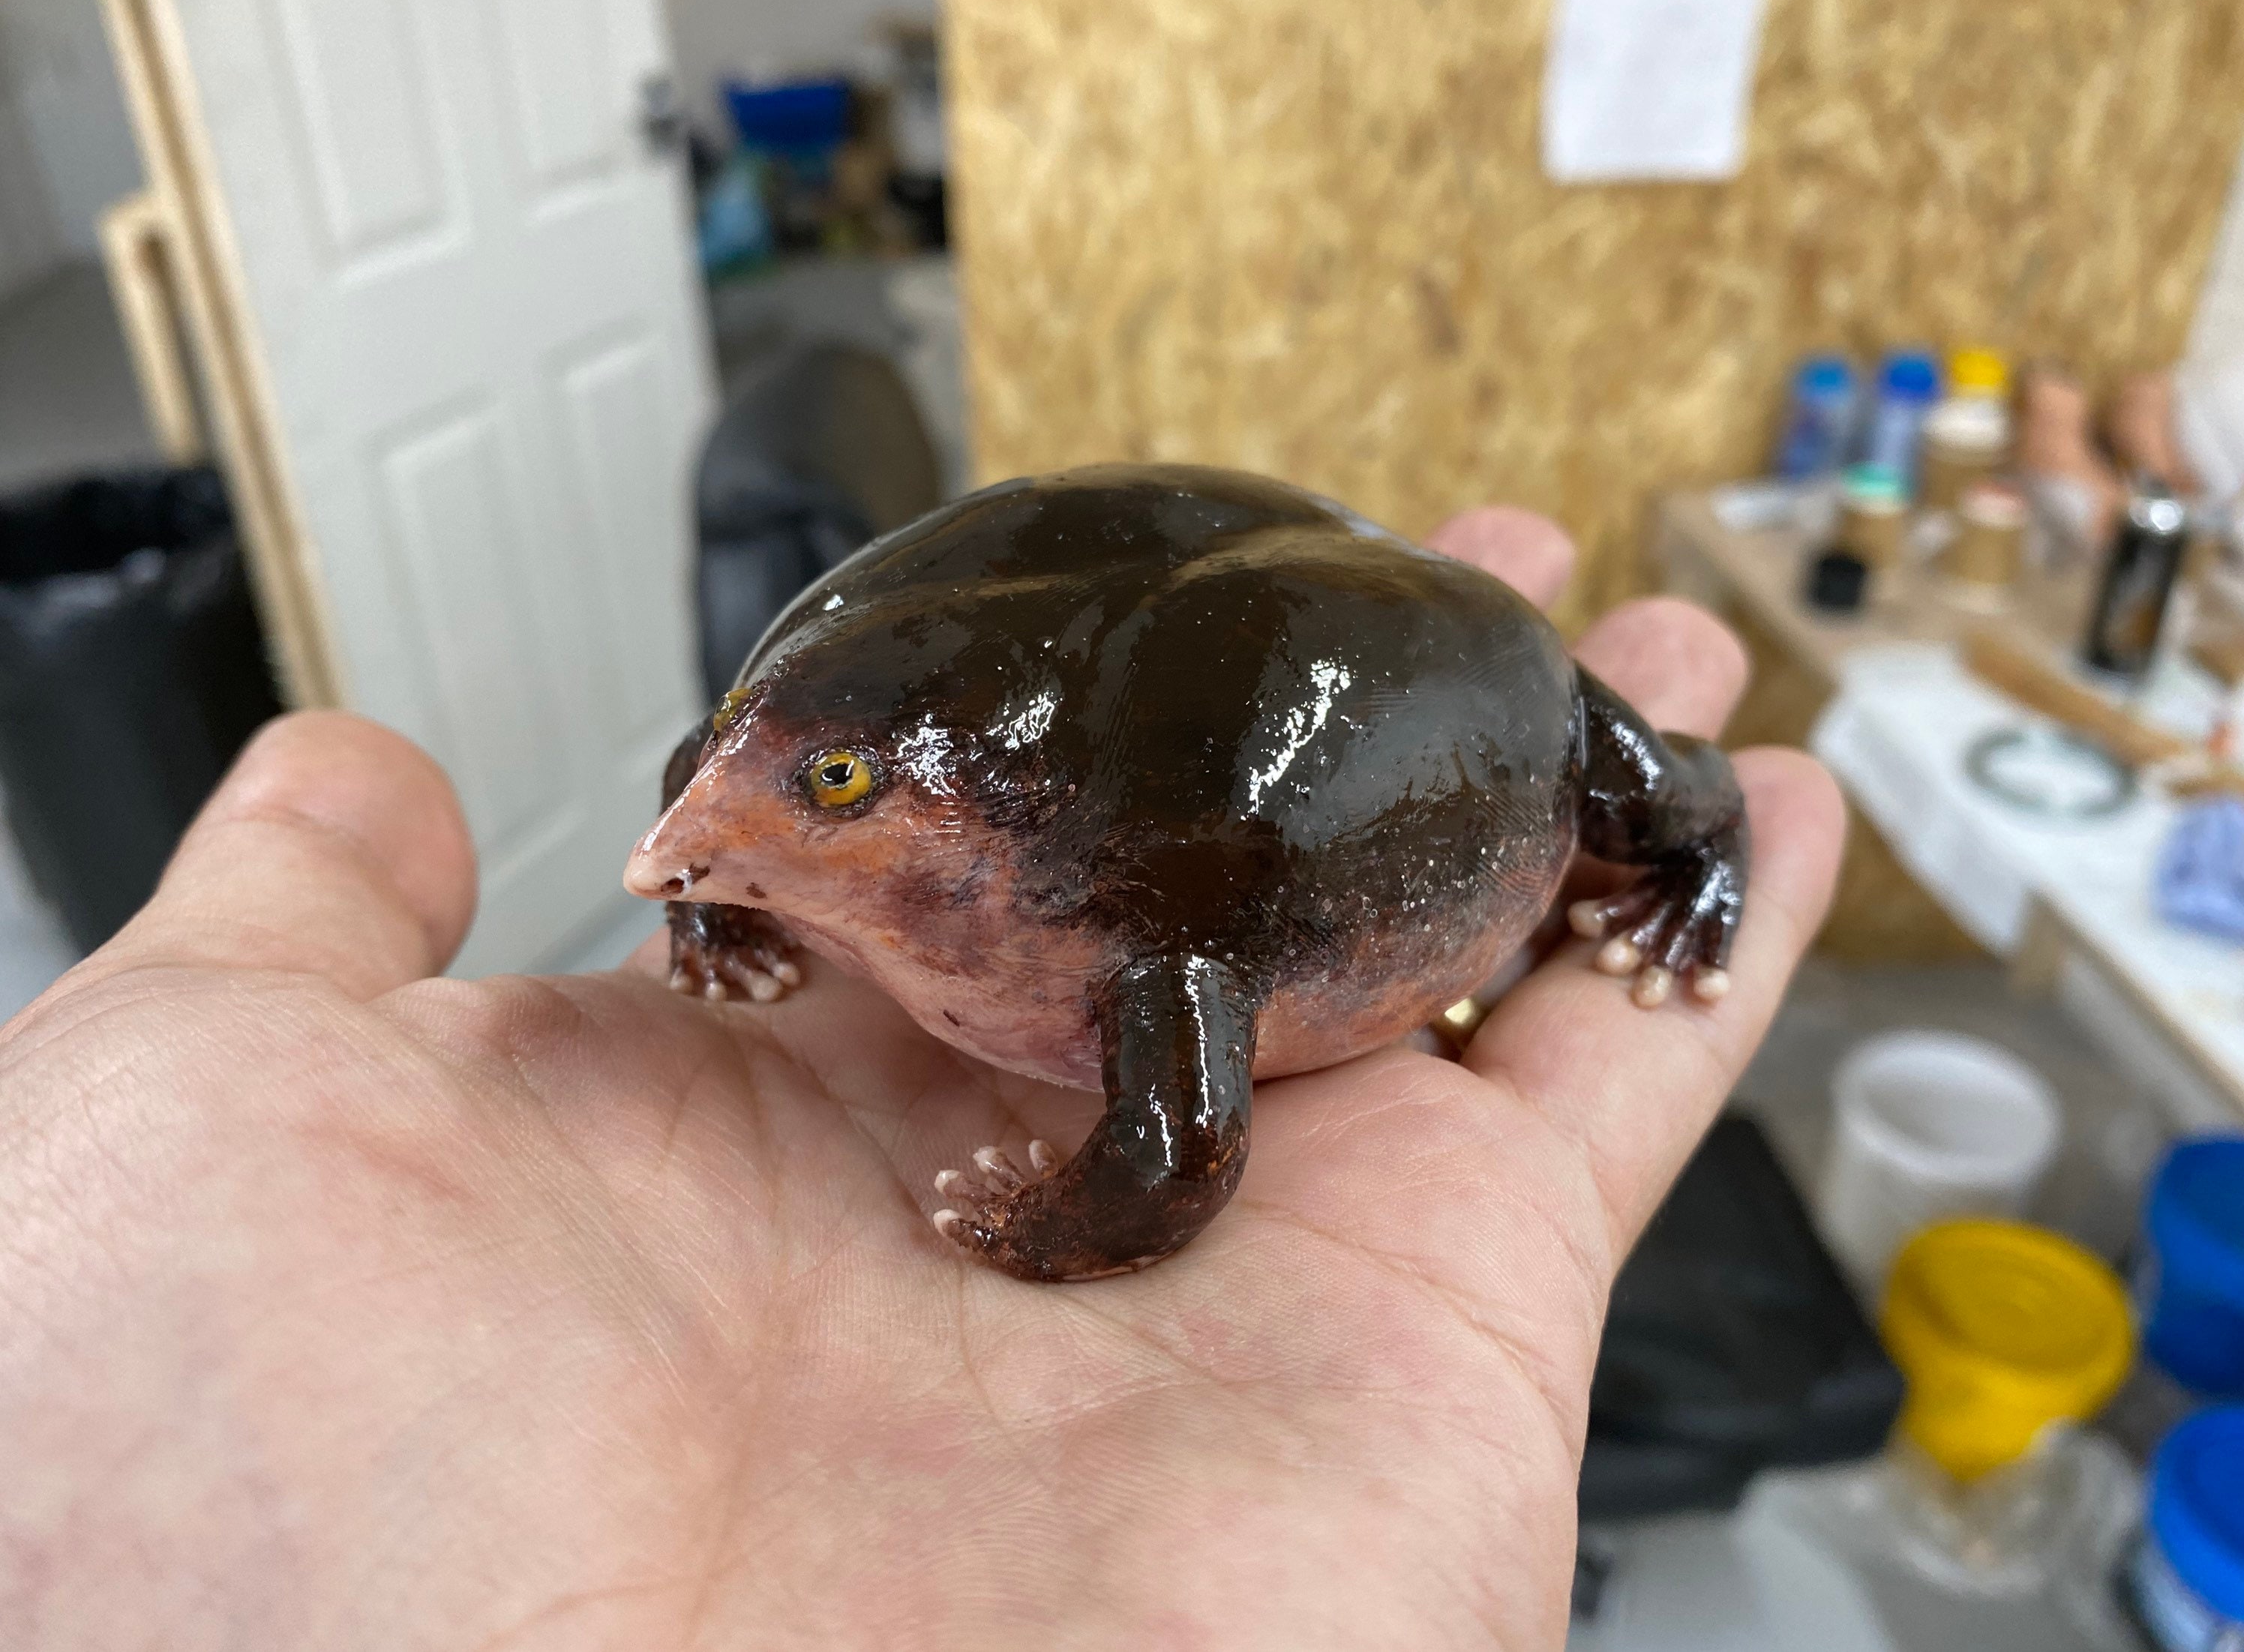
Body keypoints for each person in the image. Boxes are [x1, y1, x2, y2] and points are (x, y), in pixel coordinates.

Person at [0, 508, 1842, 1648]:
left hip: (1484, 703)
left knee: (1648, 779)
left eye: (826, 795)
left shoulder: (1143, 910)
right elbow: (723, 768)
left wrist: (1048, 1222)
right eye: (727, 774)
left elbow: (1175, 1154)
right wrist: (733, 875)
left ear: (994, 822)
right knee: (781, 765)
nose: (665, 849)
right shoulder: (807, 767)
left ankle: (1701, 864)